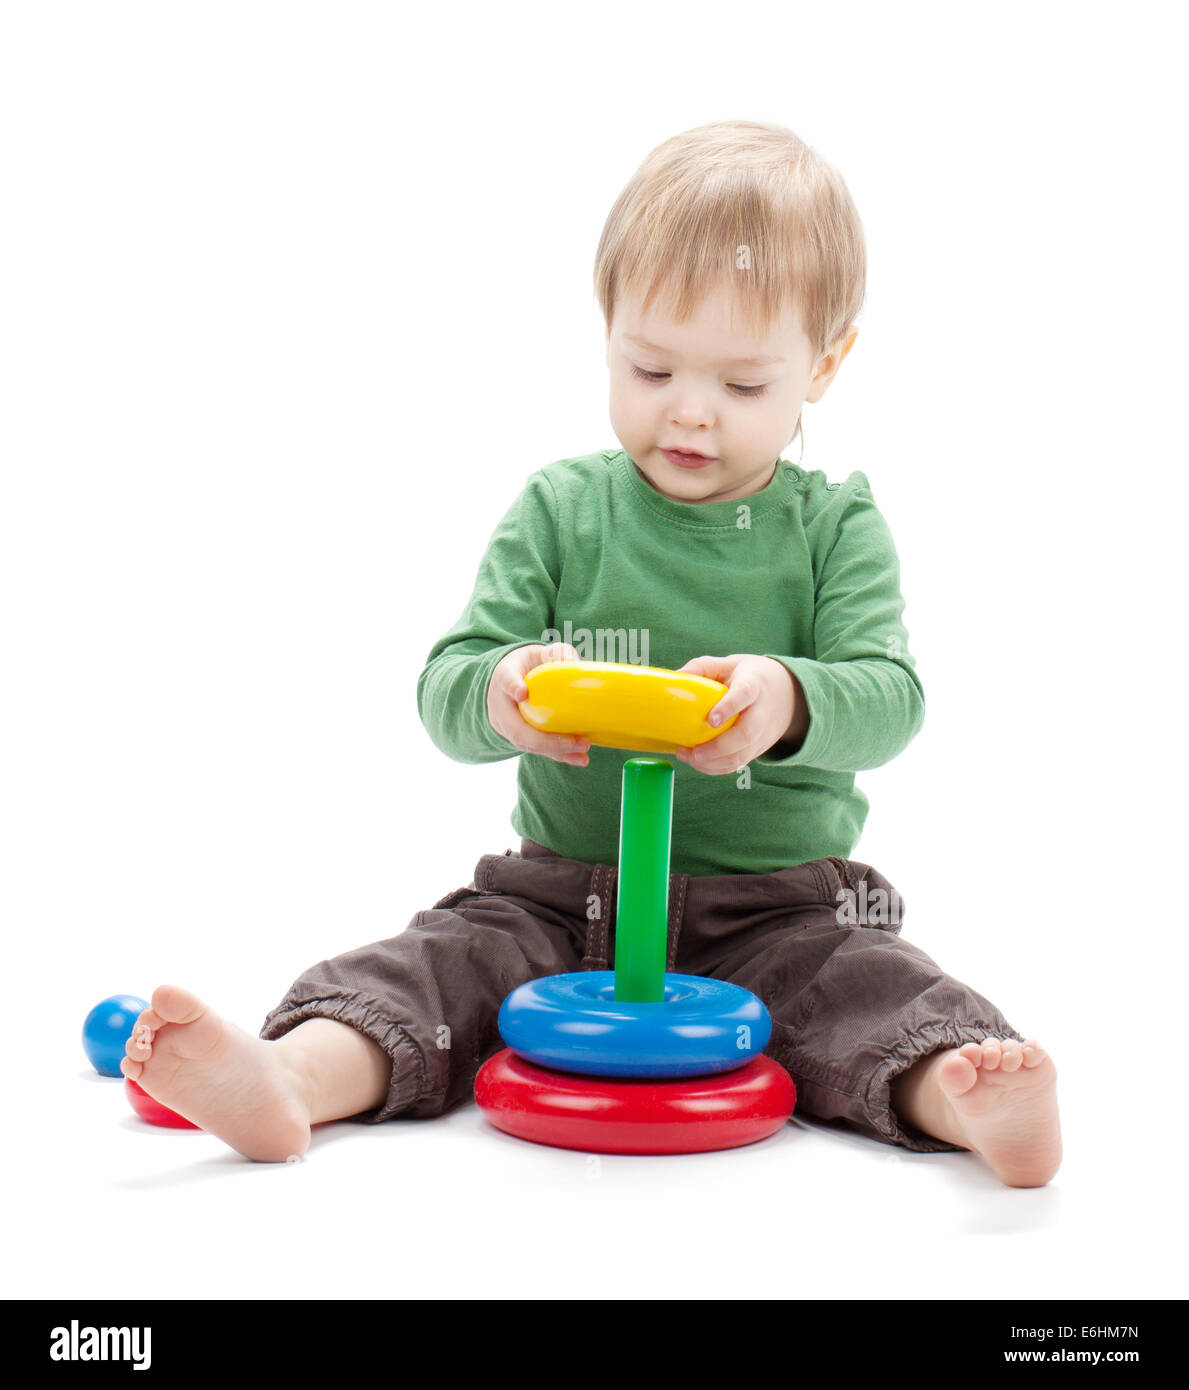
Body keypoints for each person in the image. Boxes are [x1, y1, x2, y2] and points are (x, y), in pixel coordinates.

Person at [120, 120, 1061, 1187]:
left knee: (869, 987)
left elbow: (891, 696)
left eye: (745, 385)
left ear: (826, 364)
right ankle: (290, 1080)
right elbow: (448, 678)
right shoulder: (564, 510)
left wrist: (787, 698)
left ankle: (972, 1099)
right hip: (559, 898)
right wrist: (502, 690)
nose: (689, 411)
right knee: (436, 967)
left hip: (776, 906)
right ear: (606, 331)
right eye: (650, 366)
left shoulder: (832, 525)